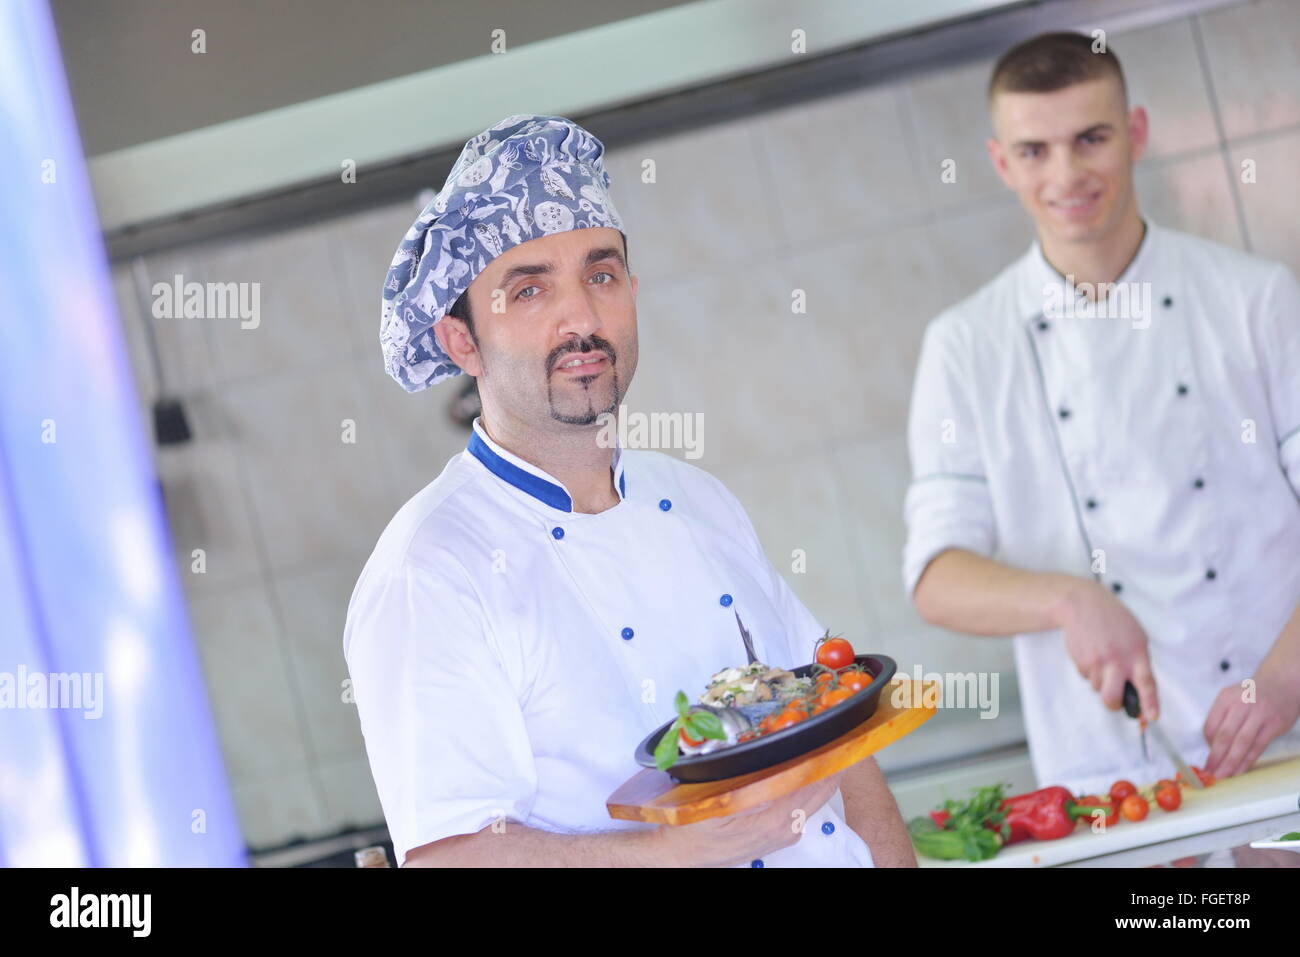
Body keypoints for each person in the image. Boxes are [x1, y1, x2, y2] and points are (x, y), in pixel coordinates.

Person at [344, 114, 914, 867]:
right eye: (530, 290)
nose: (581, 317)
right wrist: (677, 850)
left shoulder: (698, 496)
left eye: (600, 275)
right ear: (462, 342)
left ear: (632, 292)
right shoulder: (431, 566)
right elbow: (451, 856)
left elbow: (838, 728)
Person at [903, 32, 1300, 797]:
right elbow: (935, 573)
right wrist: (1067, 597)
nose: (1066, 174)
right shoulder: (965, 345)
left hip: (1284, 748)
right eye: (1035, 150)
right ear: (1001, 162)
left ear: (1137, 132)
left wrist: (1283, 681)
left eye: (1091, 138)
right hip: (1110, 783)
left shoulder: (1256, 300)